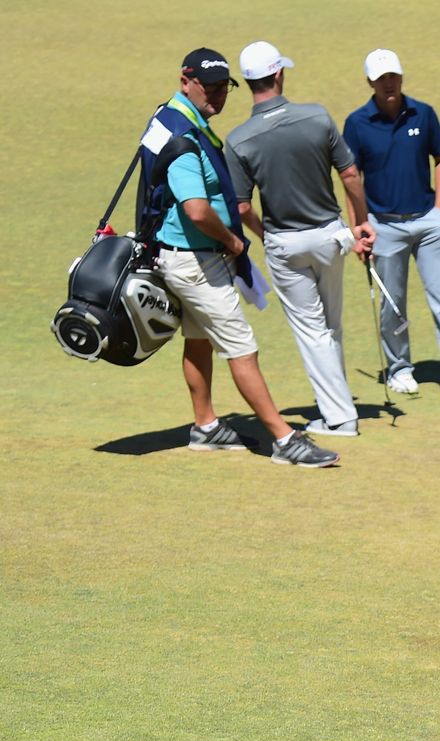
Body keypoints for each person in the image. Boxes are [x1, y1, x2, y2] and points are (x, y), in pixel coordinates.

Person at [145, 48, 338, 469]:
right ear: (186, 81)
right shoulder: (183, 138)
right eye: (209, 87)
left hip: (182, 255)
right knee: (241, 348)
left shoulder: (171, 118)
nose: (218, 95)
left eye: (224, 87)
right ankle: (284, 439)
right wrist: (232, 242)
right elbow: (197, 210)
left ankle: (206, 426)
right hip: (196, 262)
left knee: (199, 339)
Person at [224, 41, 376, 438]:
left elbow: (241, 208)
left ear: (249, 82)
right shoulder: (317, 116)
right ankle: (337, 408)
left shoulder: (238, 140)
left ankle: (339, 418)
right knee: (330, 326)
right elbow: (349, 175)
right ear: (278, 74)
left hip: (286, 243)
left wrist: (265, 234)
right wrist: (362, 223)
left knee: (313, 330)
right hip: (331, 236)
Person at [342, 49, 440, 405]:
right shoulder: (357, 123)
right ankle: (400, 368)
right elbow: (351, 178)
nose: (388, 83)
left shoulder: (424, 113)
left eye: (393, 76)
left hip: (427, 223)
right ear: (370, 82)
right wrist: (358, 228)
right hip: (384, 227)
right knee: (393, 305)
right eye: (381, 78)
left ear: (401, 77)